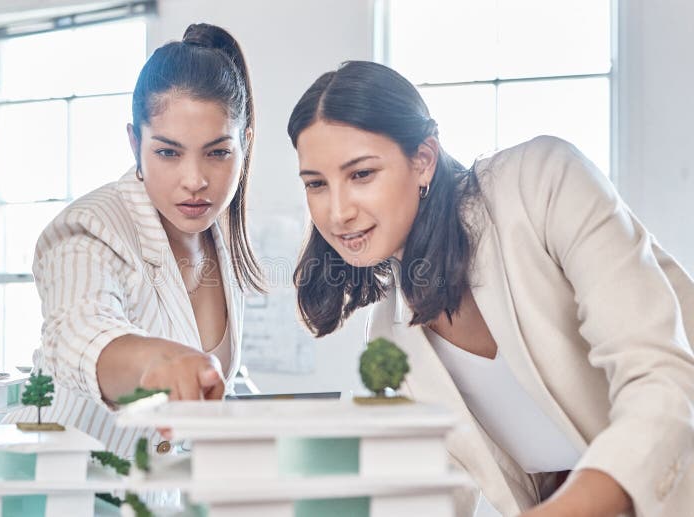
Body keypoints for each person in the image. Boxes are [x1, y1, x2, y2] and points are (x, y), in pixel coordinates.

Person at [286, 60, 694, 517]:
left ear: (423, 160)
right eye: (316, 184)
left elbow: (664, 382)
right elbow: (433, 495)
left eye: (361, 174)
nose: (338, 212)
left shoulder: (542, 184)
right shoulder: (391, 334)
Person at [2, 23, 263, 457]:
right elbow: (78, 332)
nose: (195, 180)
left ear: (245, 144)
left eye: (218, 152)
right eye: (168, 152)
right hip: (54, 477)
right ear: (134, 143)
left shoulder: (220, 238)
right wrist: (154, 364)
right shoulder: (88, 227)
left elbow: (215, 386)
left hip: (147, 486)